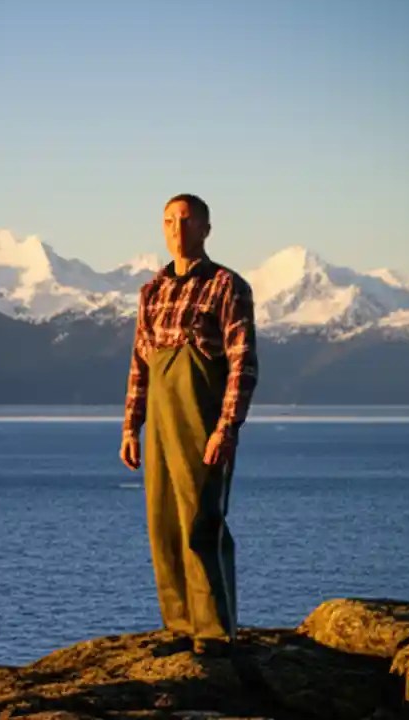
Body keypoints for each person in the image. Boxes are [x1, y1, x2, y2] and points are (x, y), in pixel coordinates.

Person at [119, 193, 259, 657]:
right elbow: (140, 365)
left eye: (187, 220)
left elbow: (242, 365)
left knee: (203, 521)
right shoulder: (151, 291)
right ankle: (179, 627)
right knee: (162, 524)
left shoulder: (227, 286)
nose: (177, 229)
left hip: (203, 422)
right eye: (168, 221)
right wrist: (129, 427)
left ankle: (216, 633)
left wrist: (227, 428)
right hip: (159, 421)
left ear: (205, 228)